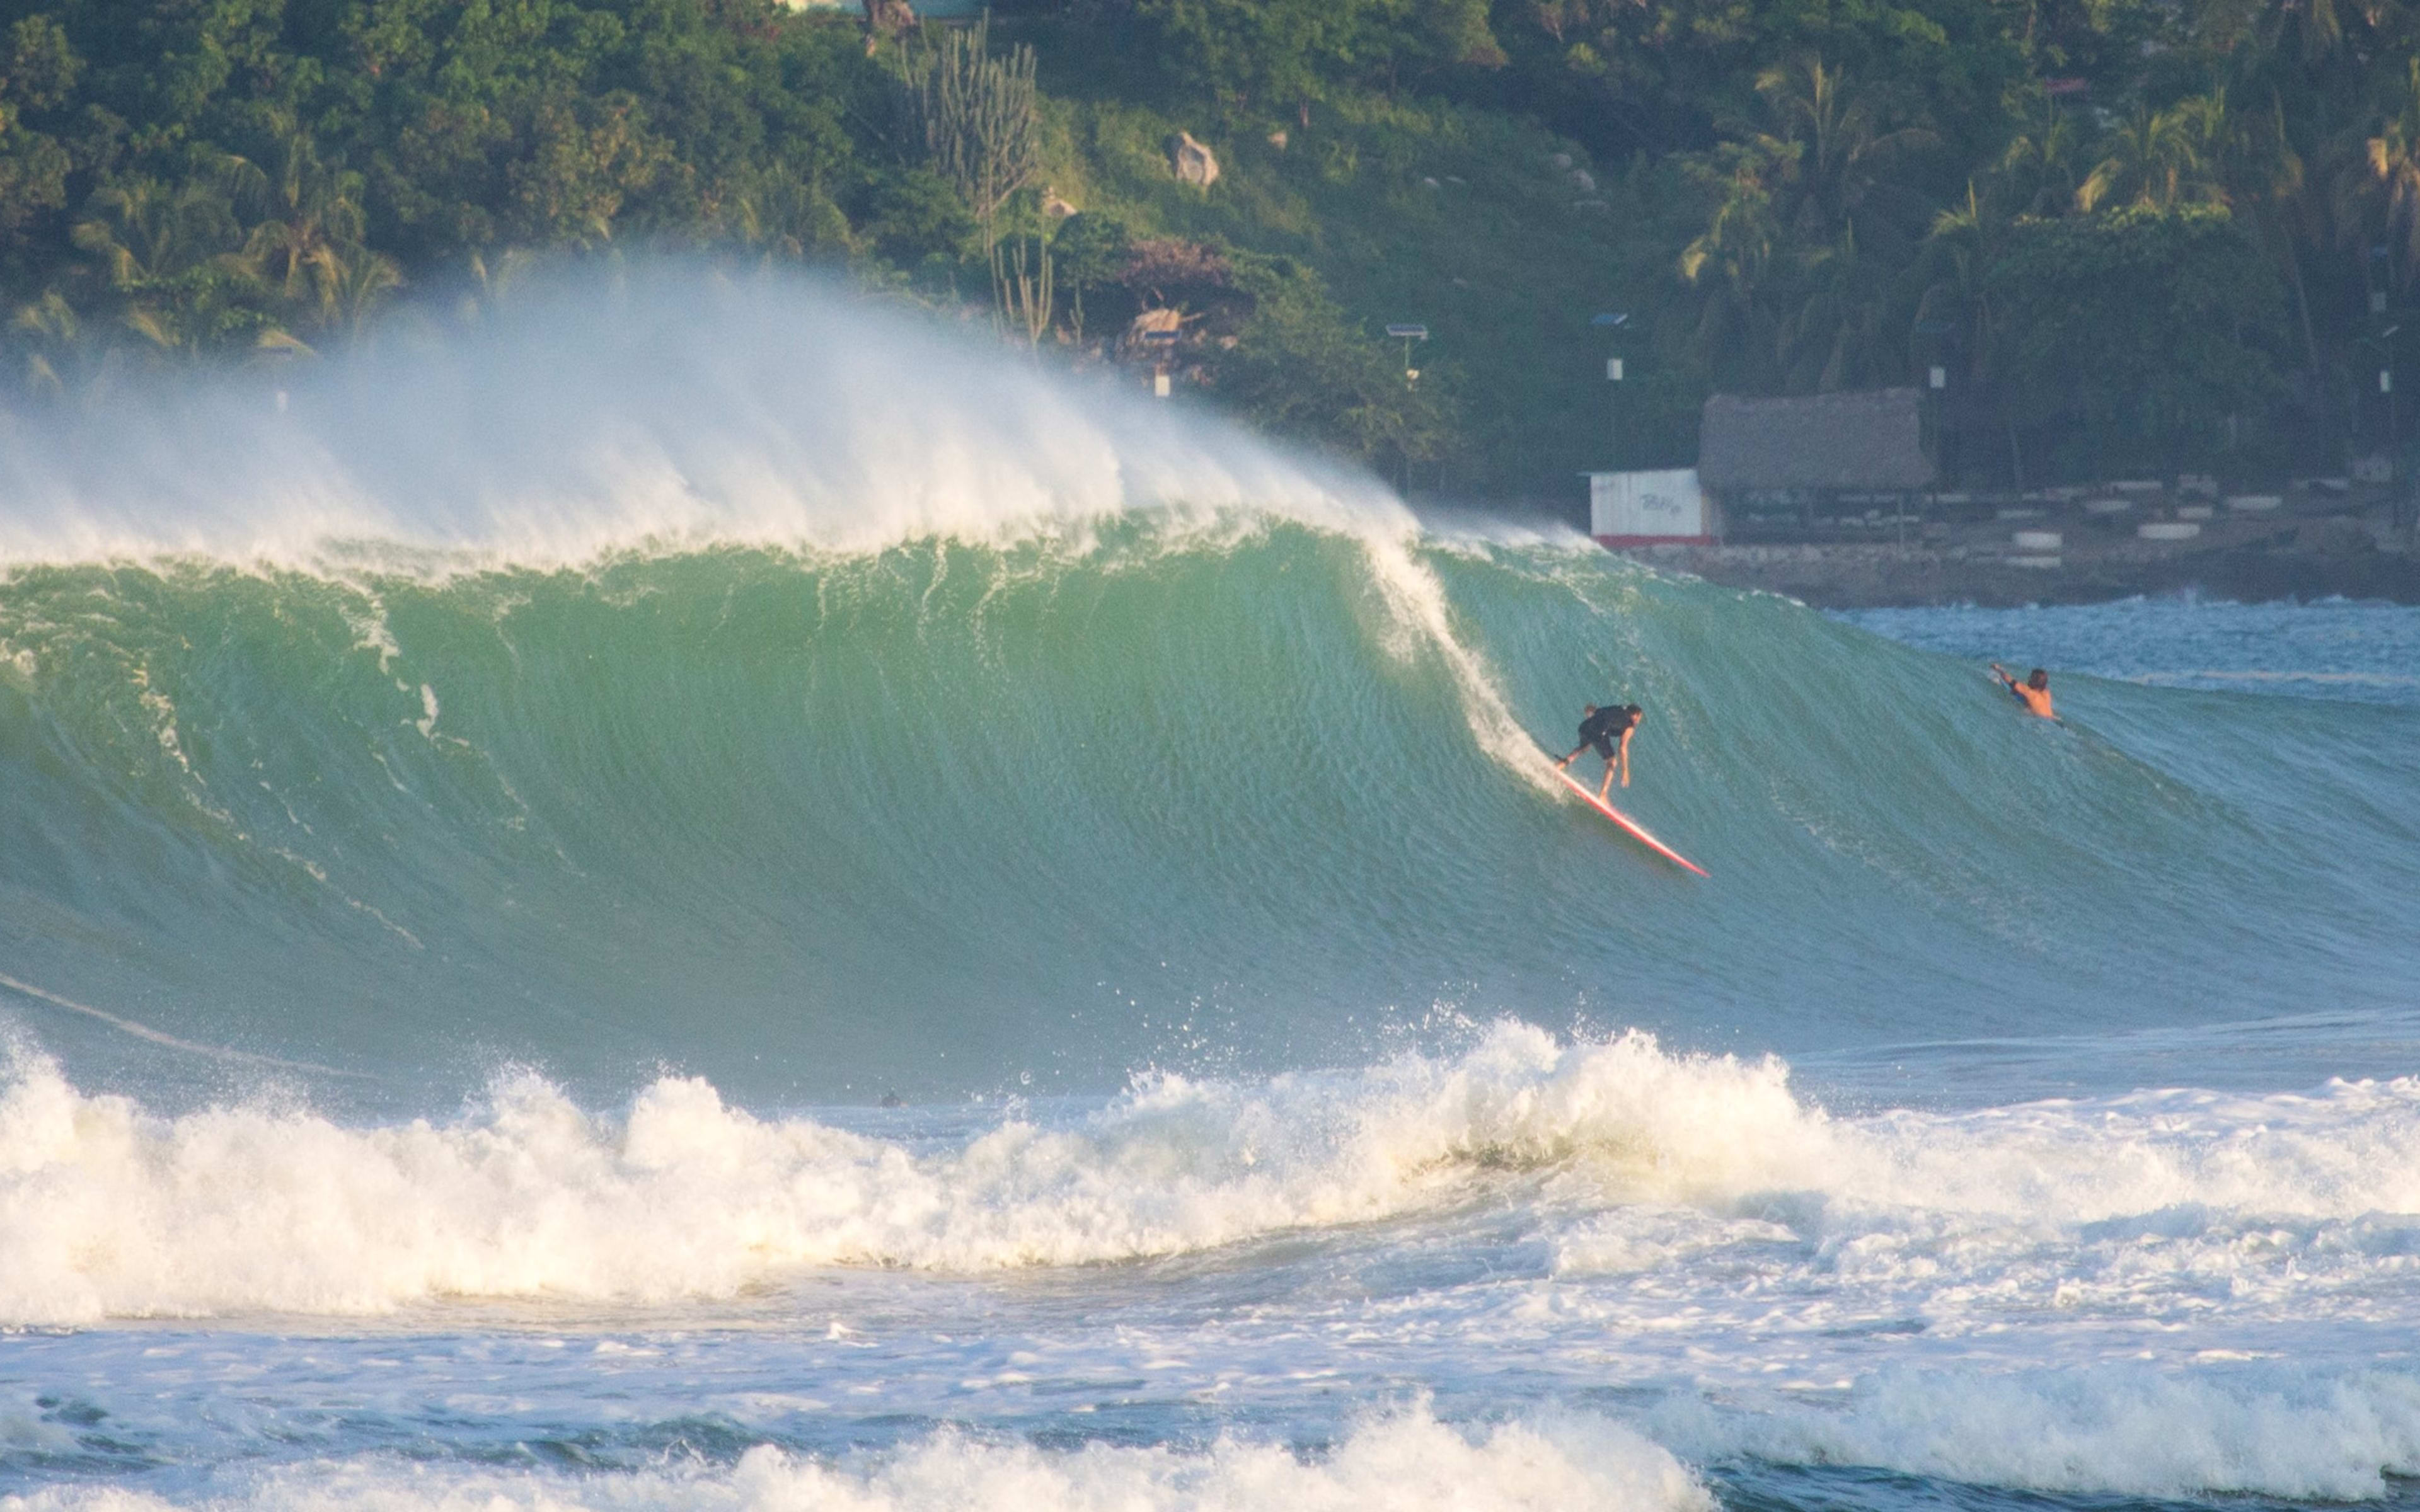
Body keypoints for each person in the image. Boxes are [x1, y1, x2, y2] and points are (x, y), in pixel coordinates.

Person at [1557, 702, 1641, 799]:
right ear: (1634, 715)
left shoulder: (1614, 709)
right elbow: (1622, 748)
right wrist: (1625, 771)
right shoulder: (1629, 726)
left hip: (1585, 726)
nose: (1638, 722)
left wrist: (1594, 723)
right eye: (1638, 718)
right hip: (1599, 734)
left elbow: (1589, 708)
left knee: (1583, 748)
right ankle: (1603, 795)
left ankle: (1560, 766)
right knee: (1612, 763)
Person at [1990, 663, 2055, 719]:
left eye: (2030, 678)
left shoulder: (2030, 693)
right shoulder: (2046, 693)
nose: (2028, 679)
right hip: (2053, 719)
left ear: (2034, 681)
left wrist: (1998, 669)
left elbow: (2012, 682)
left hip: (2040, 720)